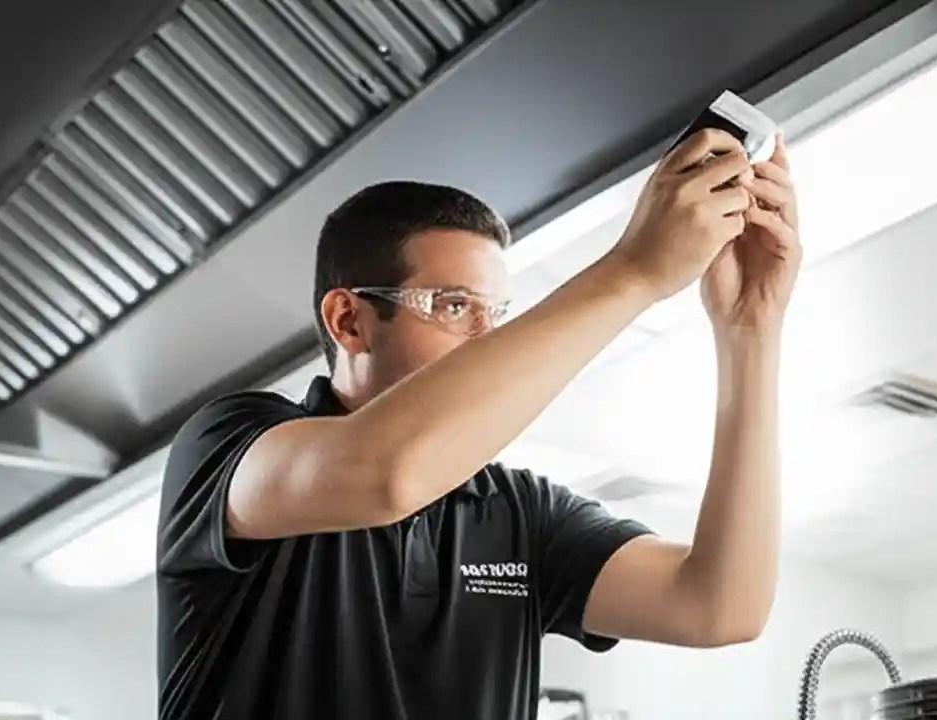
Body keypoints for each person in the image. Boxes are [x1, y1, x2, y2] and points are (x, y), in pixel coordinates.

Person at [156, 128, 801, 719]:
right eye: (453, 306)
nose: (487, 338)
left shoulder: (519, 512)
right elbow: (386, 474)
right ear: (349, 321)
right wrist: (633, 271)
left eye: (495, 314)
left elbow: (720, 605)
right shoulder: (228, 446)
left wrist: (750, 330)